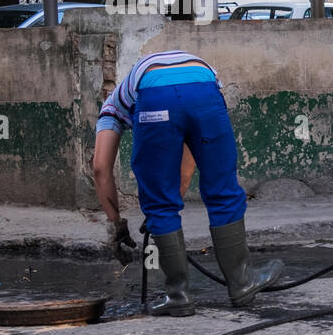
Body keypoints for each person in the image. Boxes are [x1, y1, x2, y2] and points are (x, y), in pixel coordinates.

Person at [92, 50, 282, 315]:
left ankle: (178, 296)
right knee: (222, 190)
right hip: (204, 87)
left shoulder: (111, 107)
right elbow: (186, 165)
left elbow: (100, 168)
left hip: (154, 96)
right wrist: (171, 202)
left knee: (158, 201)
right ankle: (241, 283)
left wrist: (118, 226)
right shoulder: (170, 70)